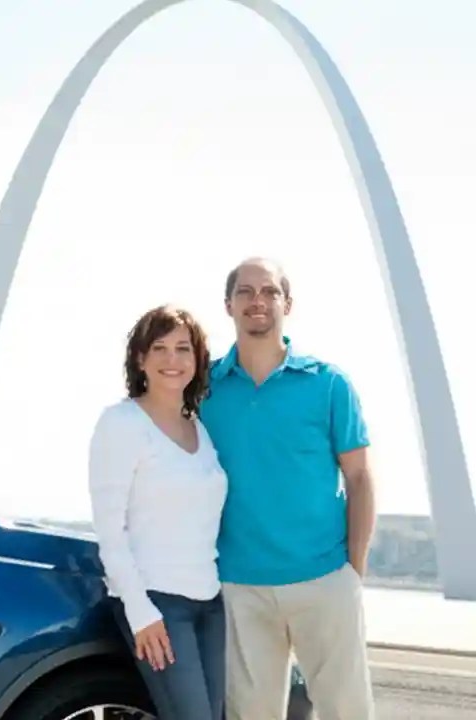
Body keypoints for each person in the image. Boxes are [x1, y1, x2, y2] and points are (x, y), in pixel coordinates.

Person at [199, 257, 377, 720]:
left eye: (269, 291)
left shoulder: (329, 383)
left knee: (346, 711)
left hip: (323, 578)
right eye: (245, 291)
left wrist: (352, 571)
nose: (258, 301)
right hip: (240, 585)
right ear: (228, 305)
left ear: (287, 303)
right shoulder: (204, 390)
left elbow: (359, 478)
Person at [88, 304, 227, 720]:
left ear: (197, 359)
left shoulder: (199, 427)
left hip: (211, 601)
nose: (172, 359)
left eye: (183, 348)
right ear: (140, 359)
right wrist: (140, 611)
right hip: (158, 603)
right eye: (160, 348)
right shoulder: (121, 423)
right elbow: (109, 531)